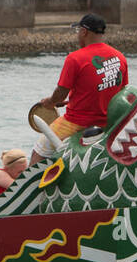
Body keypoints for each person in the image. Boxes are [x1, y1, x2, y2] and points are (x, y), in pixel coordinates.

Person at [31, 13, 128, 163]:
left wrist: (50, 102)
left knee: (40, 149)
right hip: (108, 122)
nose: (77, 35)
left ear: (84, 31)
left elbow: (61, 93)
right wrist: (70, 102)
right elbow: (120, 92)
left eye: (78, 31)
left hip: (77, 122)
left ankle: (34, 185)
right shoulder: (119, 57)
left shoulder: (75, 58)